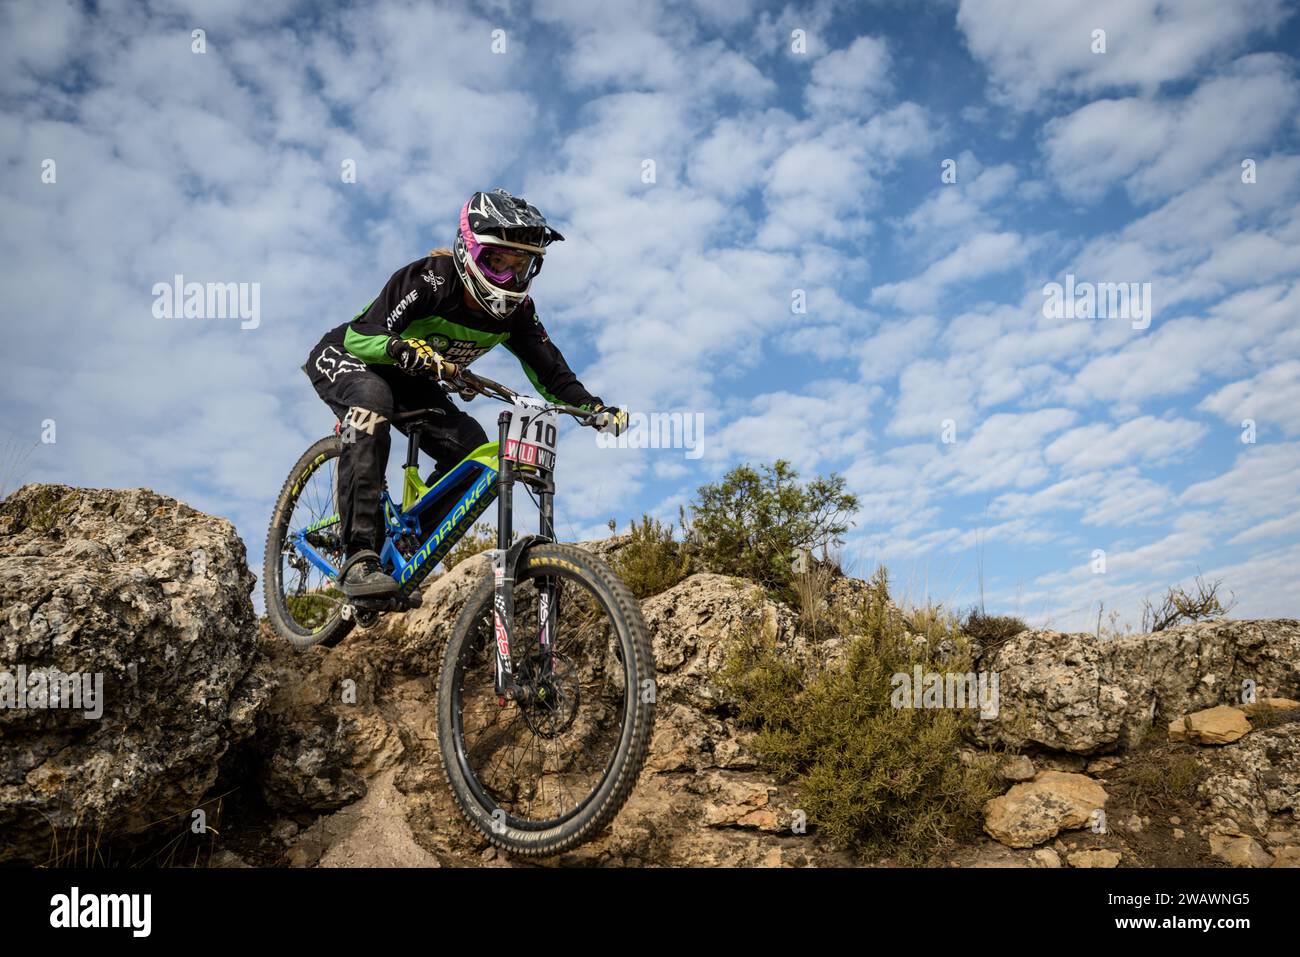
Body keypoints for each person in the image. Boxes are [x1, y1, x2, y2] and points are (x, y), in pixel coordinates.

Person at [302, 188, 623, 599]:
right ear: (469, 251)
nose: (508, 278)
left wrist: (592, 408)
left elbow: (552, 373)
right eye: (497, 262)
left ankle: (404, 546)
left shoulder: (518, 314)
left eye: (520, 266)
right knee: (371, 402)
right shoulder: (431, 279)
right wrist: (399, 347)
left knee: (471, 449)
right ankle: (358, 556)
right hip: (352, 355)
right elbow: (360, 333)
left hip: (409, 378)